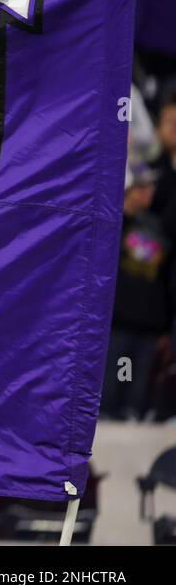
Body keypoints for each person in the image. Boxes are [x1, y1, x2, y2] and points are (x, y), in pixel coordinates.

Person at [101, 161, 175, 419]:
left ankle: (130, 411)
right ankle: (112, 412)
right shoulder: (109, 224)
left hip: (148, 323)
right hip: (119, 321)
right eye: (141, 188)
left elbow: (165, 276)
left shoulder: (156, 226)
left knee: (135, 379)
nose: (147, 193)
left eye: (149, 188)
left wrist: (165, 322)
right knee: (116, 377)